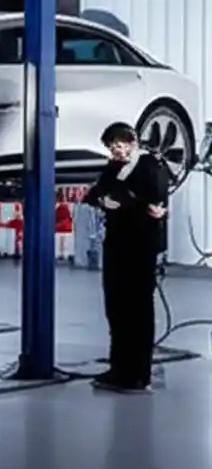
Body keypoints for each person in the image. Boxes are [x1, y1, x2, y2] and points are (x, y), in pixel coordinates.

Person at [83, 121, 168, 393]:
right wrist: (103, 201)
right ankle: (118, 368)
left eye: (119, 145)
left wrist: (127, 201)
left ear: (132, 141)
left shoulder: (151, 165)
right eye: (111, 148)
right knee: (116, 308)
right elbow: (93, 194)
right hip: (117, 246)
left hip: (140, 248)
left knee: (138, 310)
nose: (116, 151)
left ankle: (138, 374)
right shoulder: (113, 168)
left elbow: (154, 199)